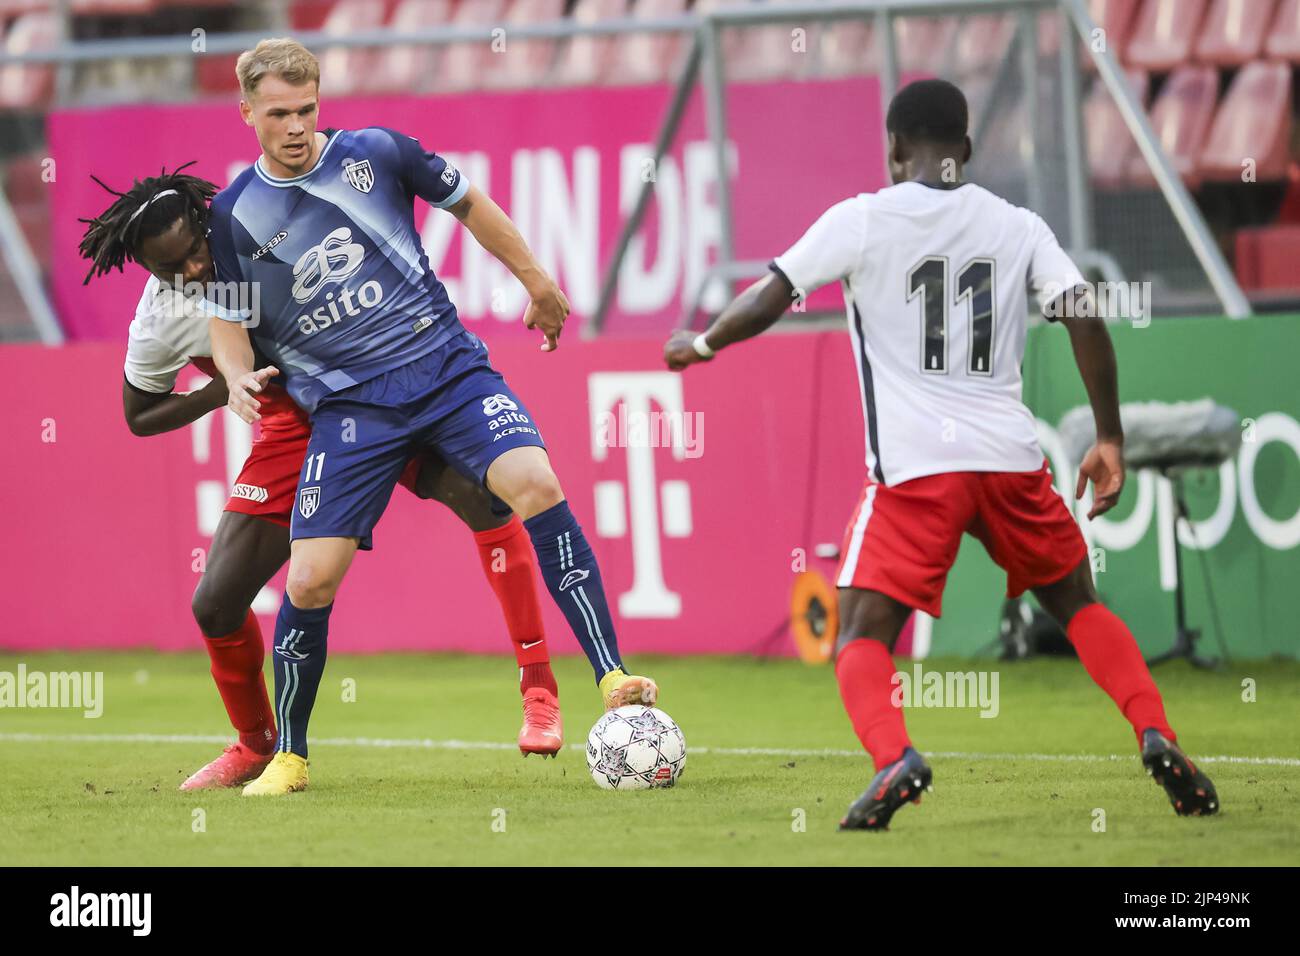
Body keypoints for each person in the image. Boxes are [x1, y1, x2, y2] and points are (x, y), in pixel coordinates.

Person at [664, 78, 1218, 829]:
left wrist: (699, 345)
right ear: (965, 149)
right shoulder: (1018, 225)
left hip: (917, 471)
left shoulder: (862, 219)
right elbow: (1083, 311)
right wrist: (1109, 436)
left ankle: (895, 758)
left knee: (860, 636)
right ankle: (1157, 733)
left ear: (893, 150)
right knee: (1080, 604)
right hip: (1010, 461)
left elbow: (773, 292)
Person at [203, 39, 656, 796]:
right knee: (310, 581)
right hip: (350, 409)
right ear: (246, 112)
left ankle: (610, 675)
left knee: (535, 483)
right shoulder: (232, 216)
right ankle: (290, 756)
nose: (295, 126)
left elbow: (470, 205)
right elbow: (227, 319)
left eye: (307, 109)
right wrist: (236, 375)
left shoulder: (378, 153)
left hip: (447, 370)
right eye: (278, 113)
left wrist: (537, 281)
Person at [78, 164, 565, 789]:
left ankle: (538, 686)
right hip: (291, 432)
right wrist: (221, 388)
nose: (193, 270)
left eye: (195, 250)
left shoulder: (260, 229)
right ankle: (257, 745)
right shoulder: (159, 317)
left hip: (369, 395)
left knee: (486, 500)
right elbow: (139, 414)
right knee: (216, 603)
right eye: (169, 268)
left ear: (209, 222)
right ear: (146, 270)